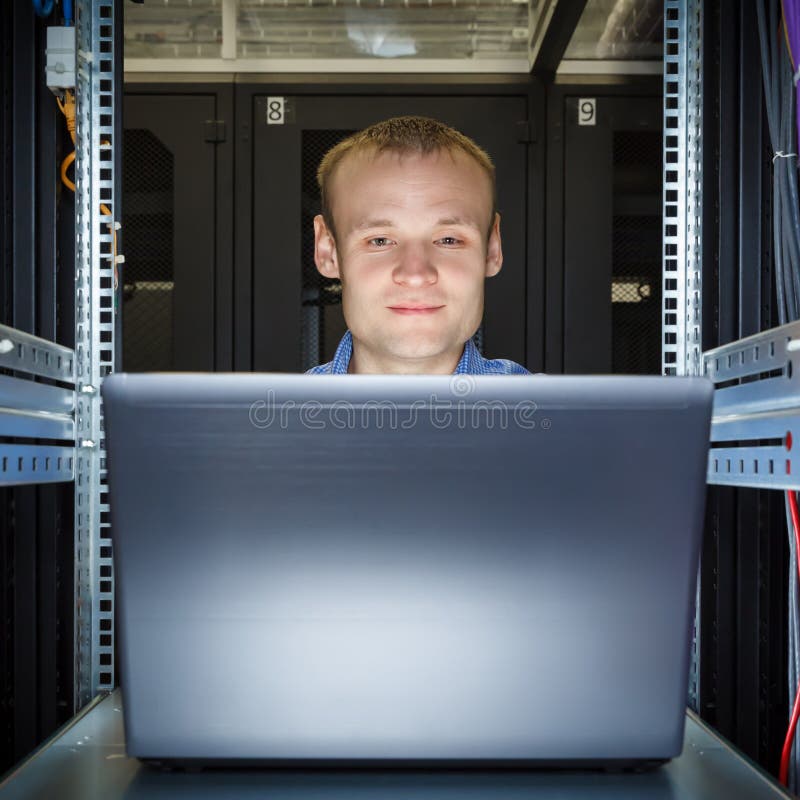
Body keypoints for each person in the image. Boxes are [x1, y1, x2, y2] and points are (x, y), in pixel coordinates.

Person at [306, 116, 530, 376]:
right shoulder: (272, 415)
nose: (415, 275)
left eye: (449, 240)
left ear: (491, 249)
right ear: (328, 251)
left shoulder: (561, 415)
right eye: (380, 241)